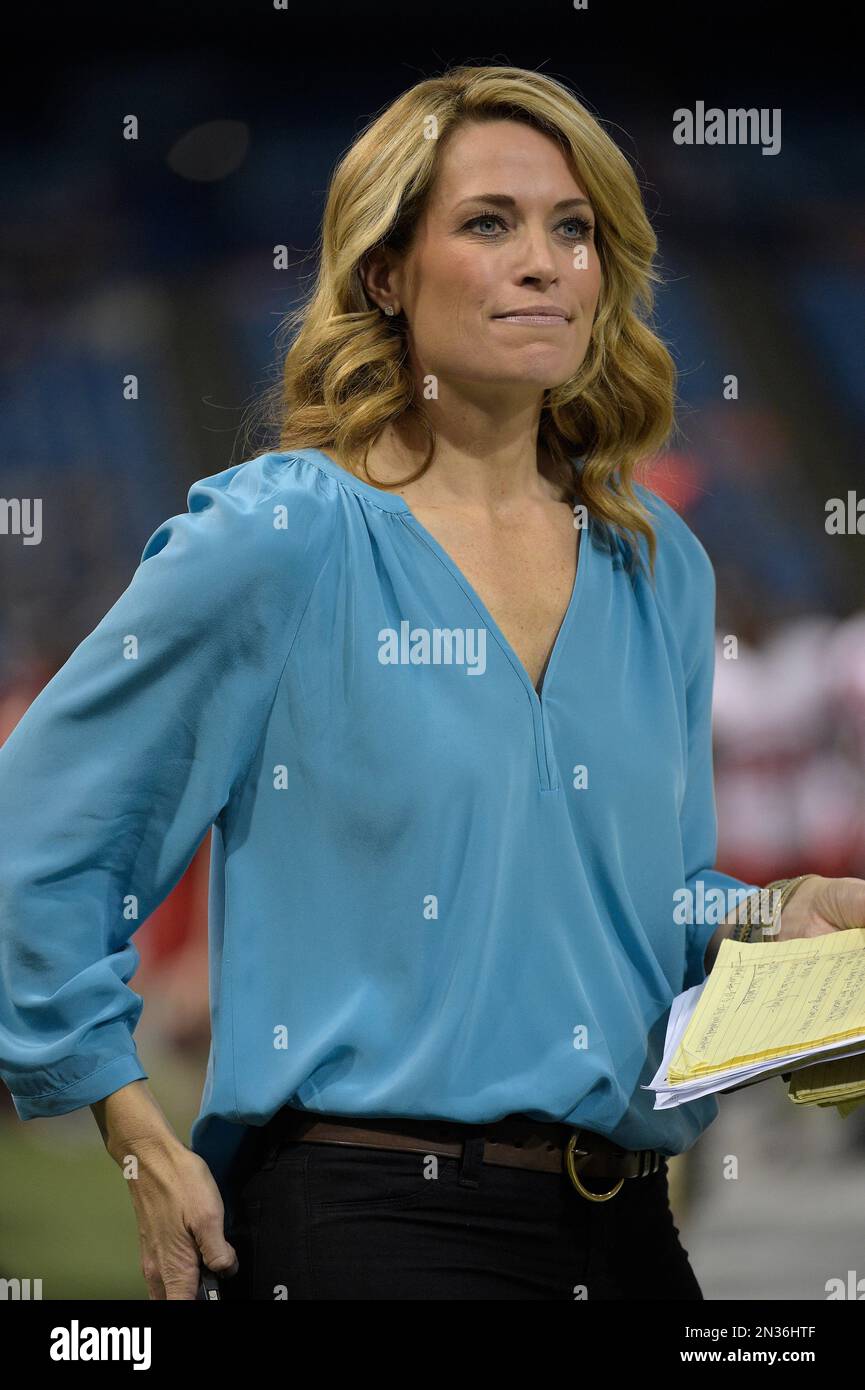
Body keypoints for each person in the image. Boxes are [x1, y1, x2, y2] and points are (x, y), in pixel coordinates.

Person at [1, 63, 863, 1302]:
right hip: (361, 1227)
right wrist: (126, 1120)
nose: (543, 261)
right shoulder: (284, 534)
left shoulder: (657, 563)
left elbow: (651, 903)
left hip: (626, 1230)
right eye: (487, 222)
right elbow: (38, 830)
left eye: (574, 228)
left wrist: (774, 917)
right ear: (385, 275)